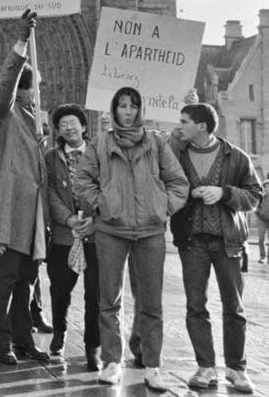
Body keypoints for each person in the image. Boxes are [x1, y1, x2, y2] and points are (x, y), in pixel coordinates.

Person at [74, 86, 189, 390]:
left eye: (133, 106)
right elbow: (82, 179)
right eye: (122, 105)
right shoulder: (100, 143)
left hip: (150, 231)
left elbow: (178, 183)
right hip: (111, 230)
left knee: (151, 302)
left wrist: (161, 208)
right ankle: (112, 362)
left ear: (140, 110)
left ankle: (152, 366)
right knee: (109, 299)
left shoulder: (156, 142)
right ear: (114, 109)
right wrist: (101, 203)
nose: (128, 111)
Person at [170, 102, 260, 394]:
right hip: (191, 241)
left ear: (201, 127)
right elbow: (167, 189)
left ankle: (236, 369)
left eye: (184, 121)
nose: (180, 126)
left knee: (234, 307)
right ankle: (205, 367)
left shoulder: (236, 156)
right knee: (196, 306)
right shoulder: (177, 156)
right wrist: (189, 194)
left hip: (228, 241)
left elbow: (255, 196)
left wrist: (225, 192)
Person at [0, 10, 51, 366]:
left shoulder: (37, 123)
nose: (39, 91)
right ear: (23, 89)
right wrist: (22, 42)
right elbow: (5, 87)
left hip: (35, 215)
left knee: (28, 280)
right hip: (11, 211)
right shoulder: (7, 114)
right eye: (35, 85)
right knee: (6, 278)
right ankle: (1, 341)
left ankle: (24, 340)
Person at [44, 104, 100, 369]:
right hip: (64, 235)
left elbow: (108, 187)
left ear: (84, 126)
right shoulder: (51, 157)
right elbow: (49, 192)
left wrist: (95, 219)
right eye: (63, 124)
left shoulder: (99, 154)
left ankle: (93, 346)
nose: (68, 128)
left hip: (95, 234)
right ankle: (59, 331)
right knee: (60, 290)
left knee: (95, 293)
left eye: (73, 123)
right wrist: (67, 218)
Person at [256, 180, 269, 264]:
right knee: (261, 239)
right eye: (266, 187)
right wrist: (259, 213)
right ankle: (262, 257)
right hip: (262, 220)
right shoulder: (261, 198)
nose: (267, 188)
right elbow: (255, 207)